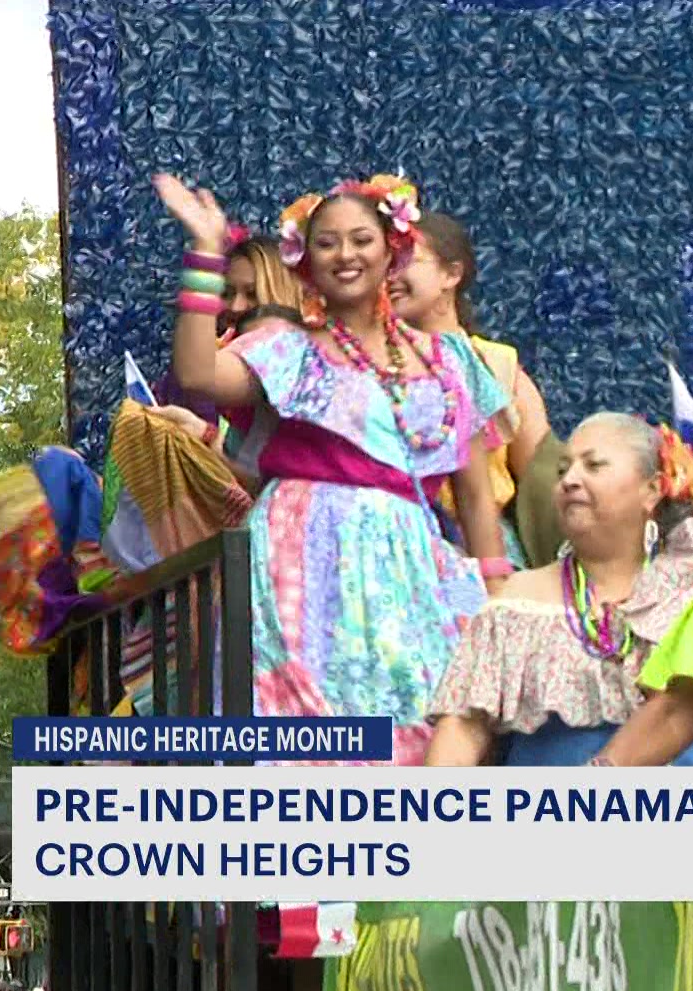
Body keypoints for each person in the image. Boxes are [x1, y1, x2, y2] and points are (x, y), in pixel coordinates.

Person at [154, 172, 514, 765]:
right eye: (326, 243)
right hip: (301, 563)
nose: (345, 254)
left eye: (360, 239)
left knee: (424, 732)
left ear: (392, 247)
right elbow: (197, 375)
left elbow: (475, 497)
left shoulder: (450, 360)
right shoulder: (289, 349)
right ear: (305, 260)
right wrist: (206, 252)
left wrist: (498, 599)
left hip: (410, 569)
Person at [423, 414, 693, 767]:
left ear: (653, 489)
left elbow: (681, 707)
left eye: (594, 465)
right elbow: (462, 727)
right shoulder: (515, 602)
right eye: (562, 470)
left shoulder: (692, 587)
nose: (570, 480)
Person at [392, 209, 558, 569]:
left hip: (483, 555)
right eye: (386, 261)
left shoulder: (498, 365)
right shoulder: (368, 362)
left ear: (452, 273)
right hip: (396, 546)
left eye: (407, 260)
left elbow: (540, 479)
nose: (392, 274)